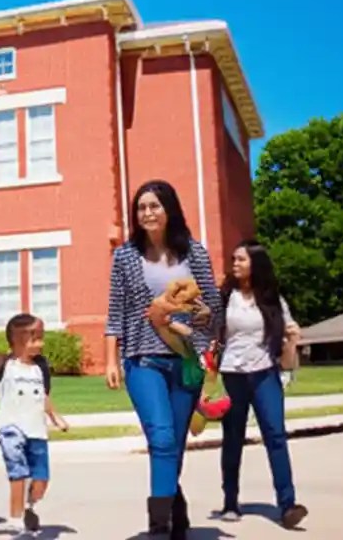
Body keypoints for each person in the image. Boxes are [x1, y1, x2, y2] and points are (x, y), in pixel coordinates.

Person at [104, 179, 222, 539]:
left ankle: (175, 510)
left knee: (173, 443)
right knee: (161, 436)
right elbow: (115, 312)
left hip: (186, 359)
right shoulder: (125, 256)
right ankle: (159, 526)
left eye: (154, 206)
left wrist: (196, 312)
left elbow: (213, 309)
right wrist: (111, 360)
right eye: (141, 207)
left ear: (169, 209)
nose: (147, 213)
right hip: (143, 358)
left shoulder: (195, 253)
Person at [215, 239, 307, 529]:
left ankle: (288, 504)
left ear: (256, 263)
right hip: (232, 374)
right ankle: (230, 501)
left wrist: (292, 340)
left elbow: (288, 359)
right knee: (233, 439)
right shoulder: (225, 297)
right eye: (234, 259)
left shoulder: (273, 302)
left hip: (265, 373)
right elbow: (208, 333)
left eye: (241, 259)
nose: (235, 264)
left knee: (276, 435)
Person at [0, 313, 68, 535]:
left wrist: (55, 416)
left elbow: (44, 396)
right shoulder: (5, 366)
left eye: (41, 338)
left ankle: (30, 505)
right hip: (11, 428)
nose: (40, 344)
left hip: (37, 430)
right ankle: (15, 516)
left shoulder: (41, 367)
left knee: (41, 480)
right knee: (18, 472)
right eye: (34, 339)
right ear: (17, 341)